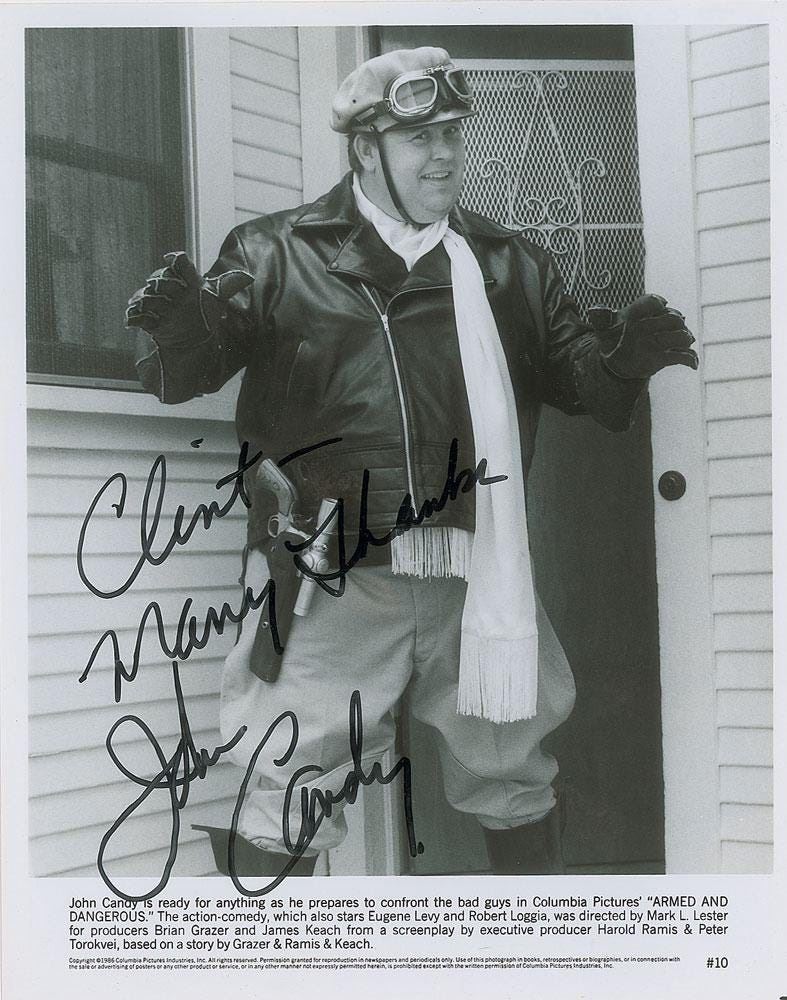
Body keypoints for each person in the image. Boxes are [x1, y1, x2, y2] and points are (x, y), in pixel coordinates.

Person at [126, 46, 697, 879]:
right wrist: (178, 328)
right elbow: (182, 376)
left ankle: (528, 955)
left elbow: (581, 384)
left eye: (451, 135)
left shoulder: (508, 265)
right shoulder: (273, 251)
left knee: (511, 772)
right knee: (281, 776)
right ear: (363, 147)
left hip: (476, 569)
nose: (442, 155)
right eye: (415, 136)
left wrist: (620, 363)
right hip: (327, 570)